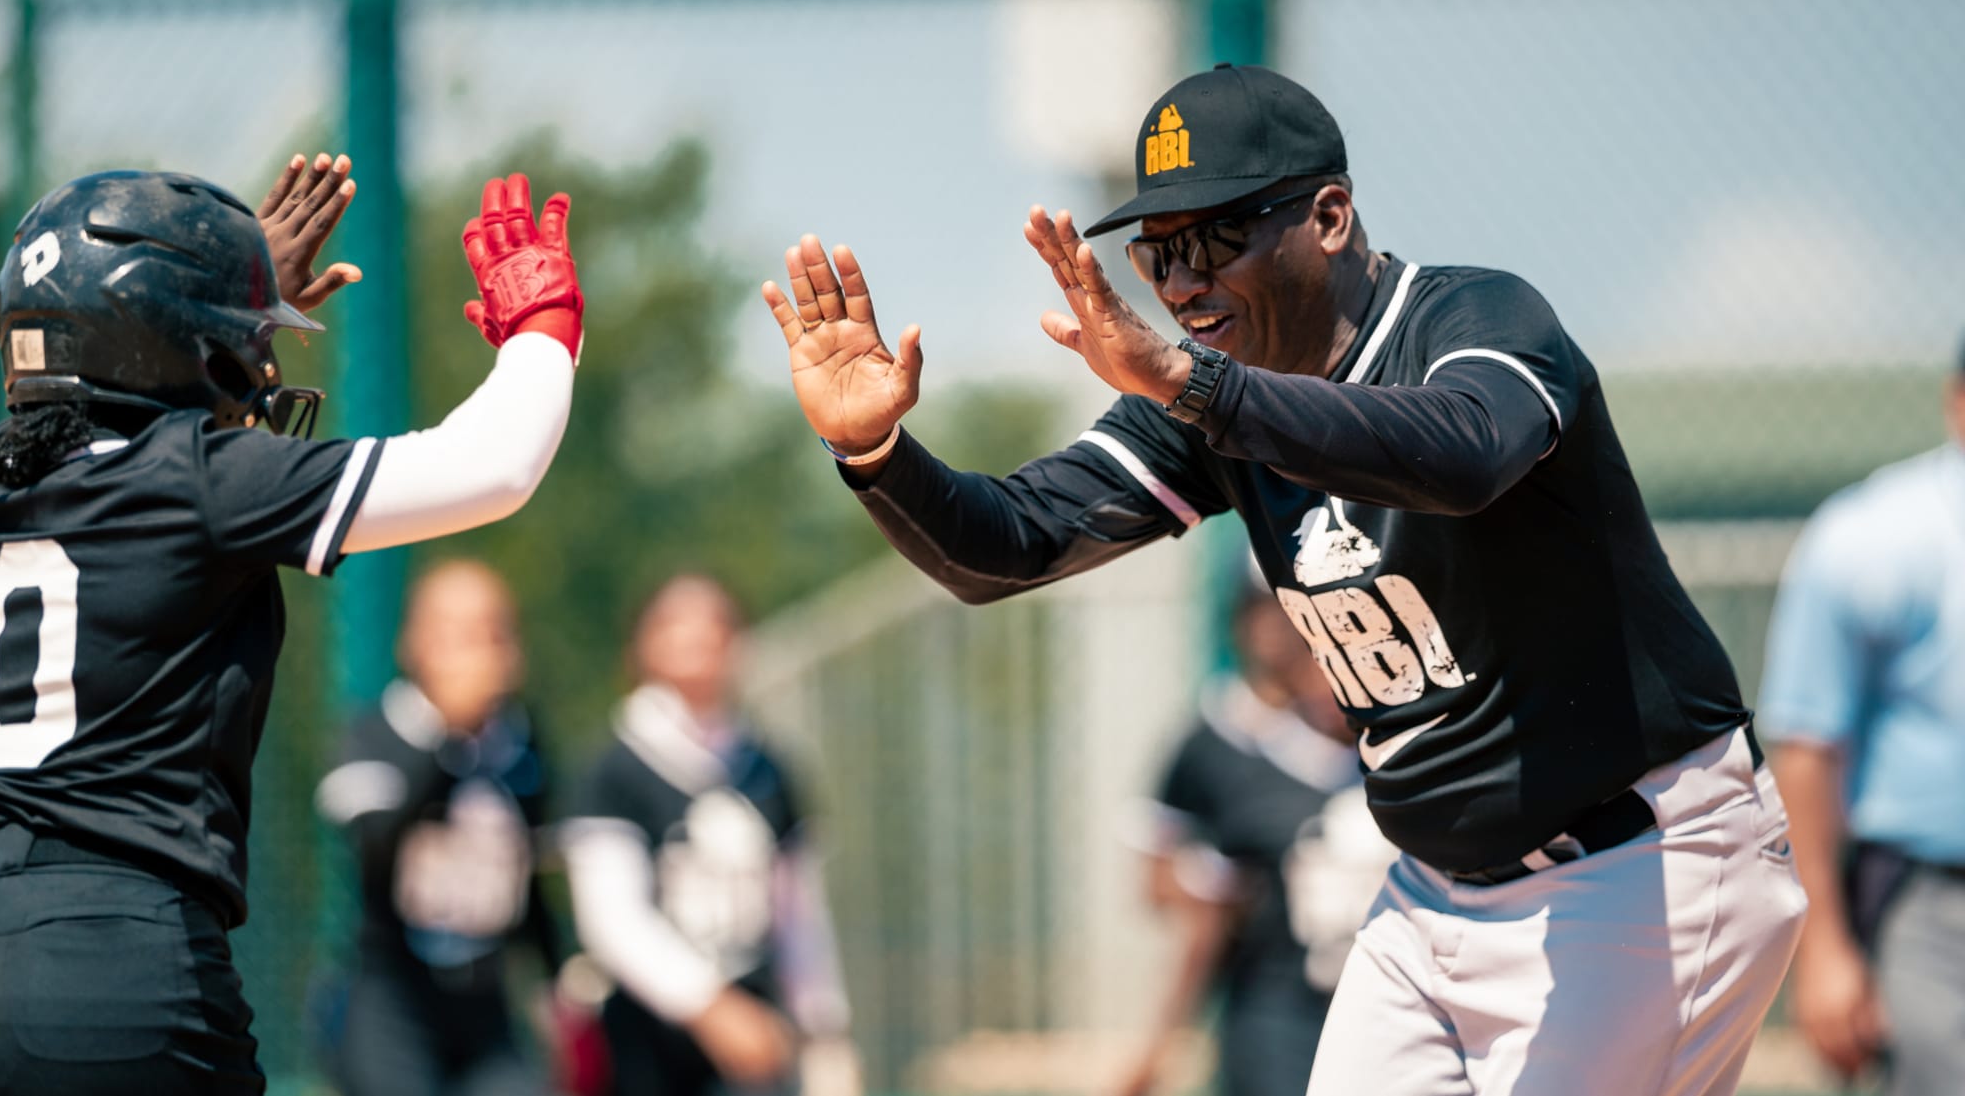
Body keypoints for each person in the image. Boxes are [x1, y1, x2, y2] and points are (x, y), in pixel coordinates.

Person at [762, 64, 1806, 1095]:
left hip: (1640, 871)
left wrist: (1190, 382)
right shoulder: (1215, 400)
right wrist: (875, 452)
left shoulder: (1473, 320)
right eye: (1157, 250)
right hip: (1430, 900)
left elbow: (1468, 451)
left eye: (1214, 236)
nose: (1177, 284)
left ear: (1330, 216)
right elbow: (1010, 543)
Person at [0, 155, 587, 1096]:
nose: (260, 370)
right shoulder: (195, 473)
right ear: (167, 342)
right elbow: (497, 463)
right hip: (105, 964)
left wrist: (200, 296)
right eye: (241, 343)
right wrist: (545, 326)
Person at [1761, 339, 1965, 1096]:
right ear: (1957, 402)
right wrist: (1825, 949)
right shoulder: (1876, 536)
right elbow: (1807, 746)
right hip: (1928, 898)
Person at [563, 575, 858, 1096]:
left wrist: (824, 1032)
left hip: (757, 1037)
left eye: (717, 623)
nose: (699, 637)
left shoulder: (769, 768)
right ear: (642, 644)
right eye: (677, 622)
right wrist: (710, 1007)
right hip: (648, 1041)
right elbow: (612, 922)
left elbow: (799, 918)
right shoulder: (614, 769)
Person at [1113, 570, 1381, 1096]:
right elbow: (1177, 898)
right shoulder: (1223, 744)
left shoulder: (1408, 740)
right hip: (1283, 1014)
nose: (1287, 634)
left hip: (1398, 1011)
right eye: (1271, 612)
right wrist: (1156, 1049)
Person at [318, 559, 564, 1096]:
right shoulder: (374, 734)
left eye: (491, 633)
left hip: (485, 1003)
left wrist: (558, 986)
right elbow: (376, 849)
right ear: (414, 643)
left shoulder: (521, 746)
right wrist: (449, 739)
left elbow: (529, 880)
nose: (476, 652)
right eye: (456, 633)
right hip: (392, 997)